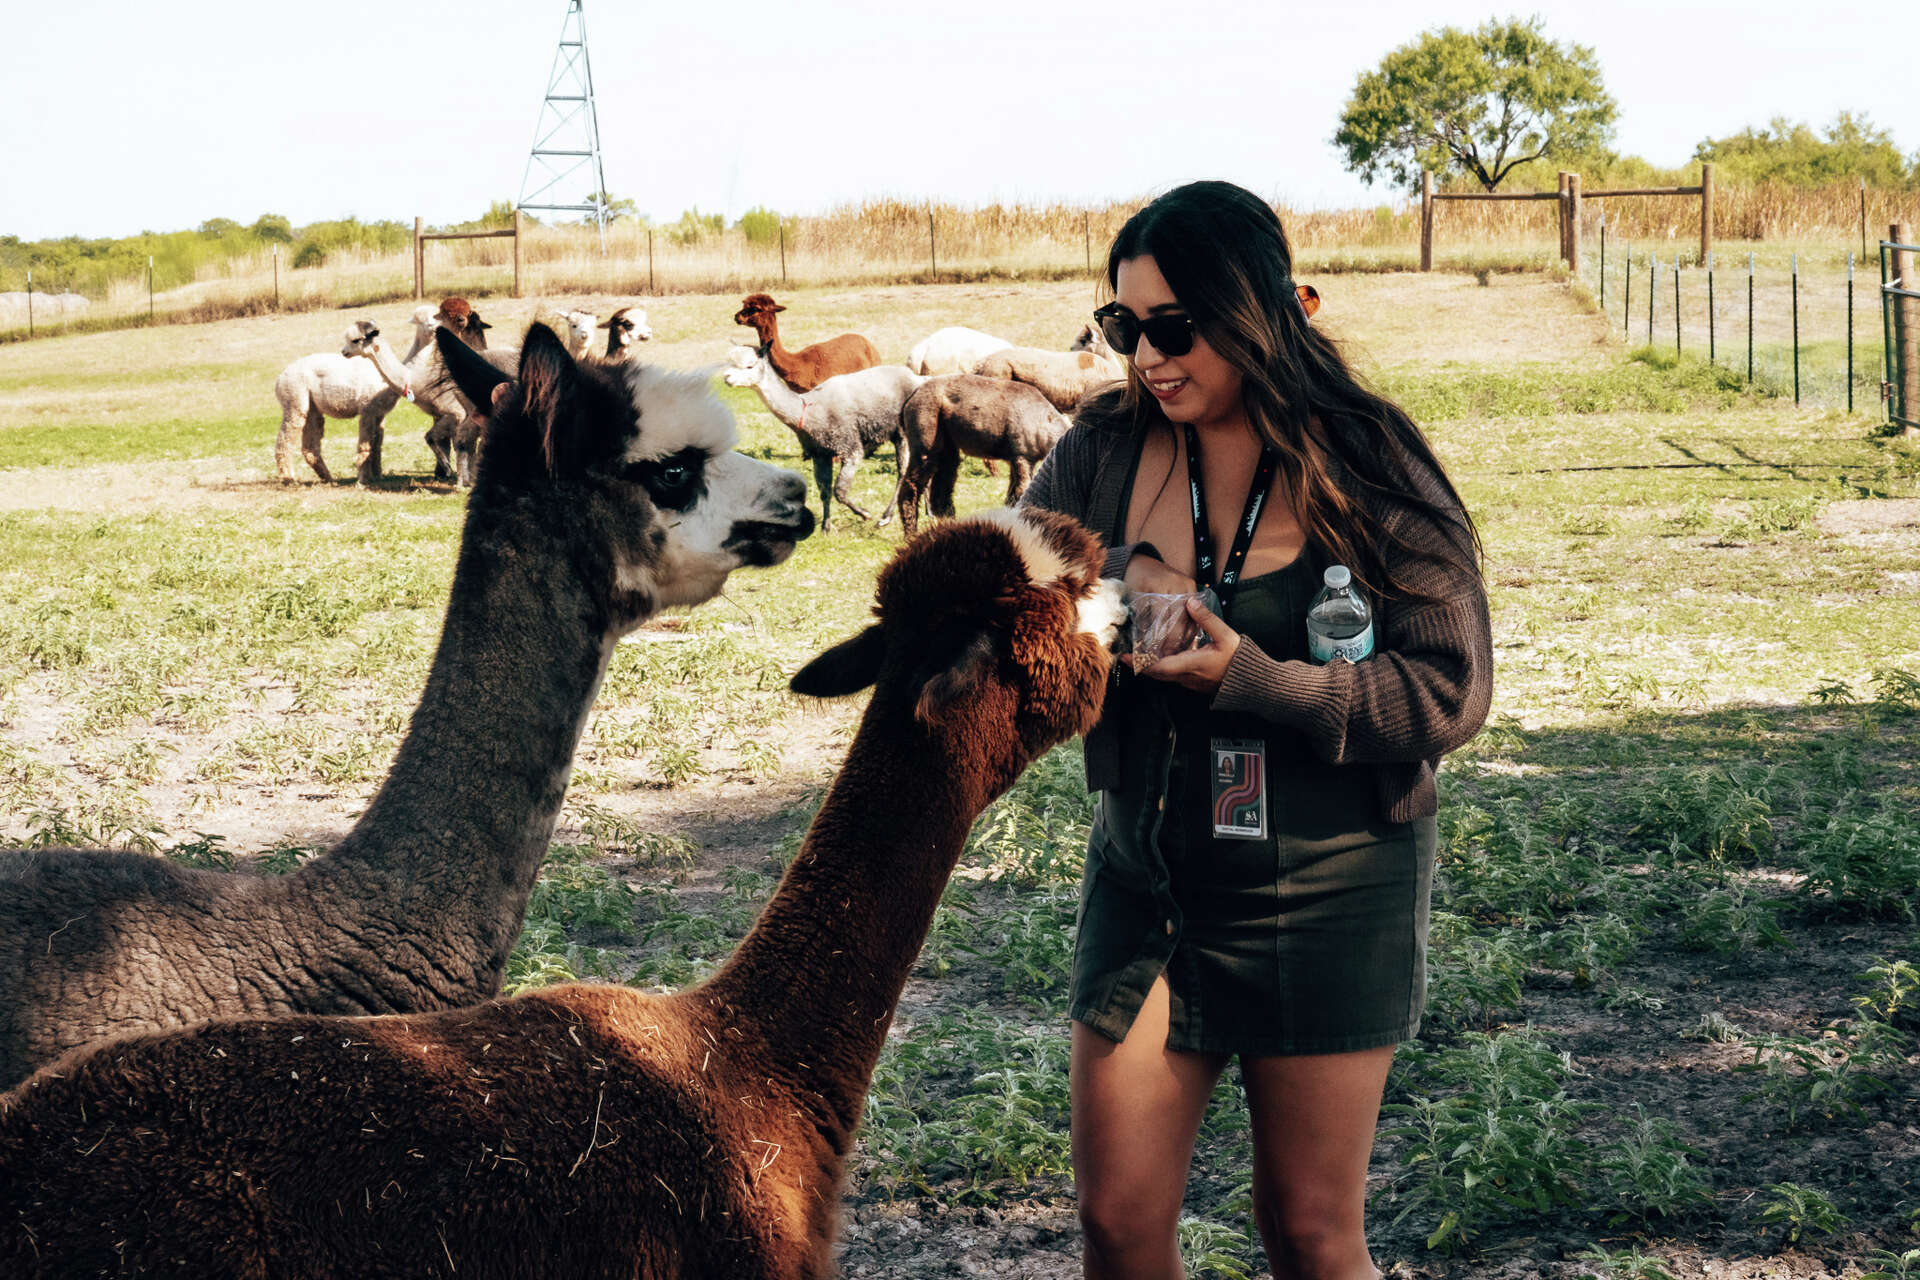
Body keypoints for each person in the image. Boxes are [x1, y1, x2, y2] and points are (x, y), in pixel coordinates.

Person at [1018, 180, 1493, 1280]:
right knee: (1119, 1225)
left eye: (1174, 328)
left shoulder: (1368, 459)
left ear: (1255, 312)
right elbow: (1011, 582)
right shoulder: (1104, 446)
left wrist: (1258, 679)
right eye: (1124, 326)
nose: (1147, 356)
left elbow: (1448, 689)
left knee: (1311, 1235)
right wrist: (1114, 586)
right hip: (1152, 883)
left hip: (1331, 885)